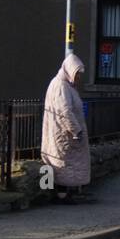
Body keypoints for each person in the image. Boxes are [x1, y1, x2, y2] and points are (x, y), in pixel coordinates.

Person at [41, 53, 92, 203]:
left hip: (65, 135)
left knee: (66, 164)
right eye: (77, 75)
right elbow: (64, 112)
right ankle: (61, 195)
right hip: (64, 136)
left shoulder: (64, 86)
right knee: (63, 164)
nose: (78, 78)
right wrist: (76, 130)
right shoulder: (61, 86)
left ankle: (65, 193)